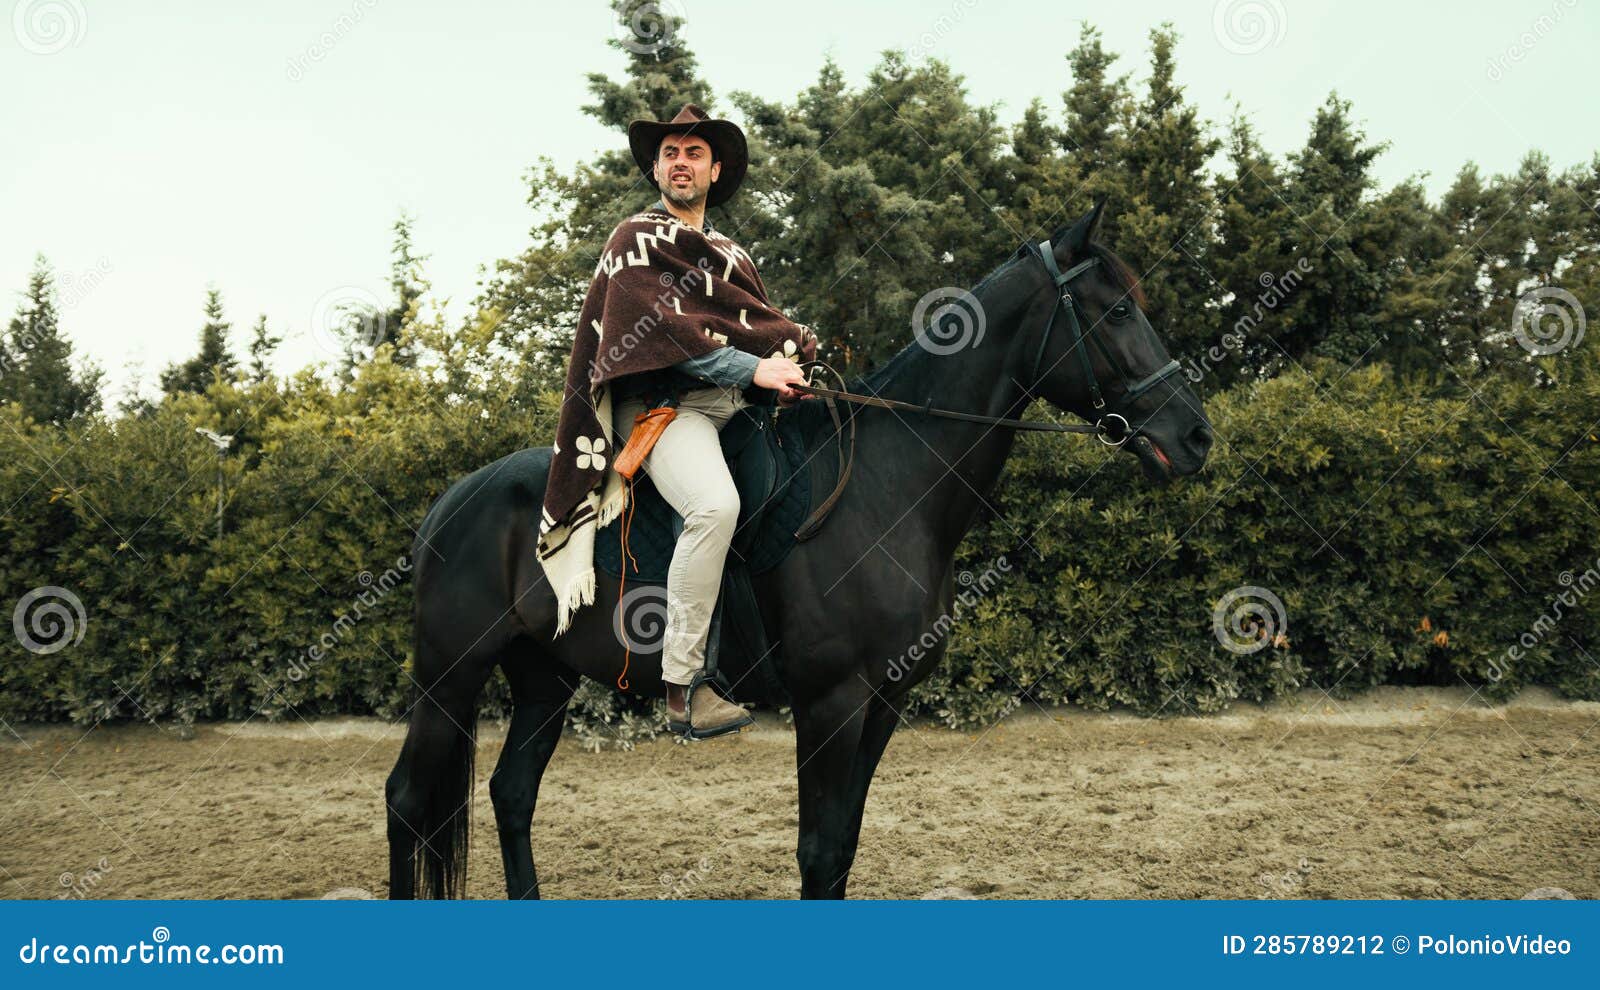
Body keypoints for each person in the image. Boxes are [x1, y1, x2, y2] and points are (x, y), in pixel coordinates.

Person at [535, 104, 816, 738]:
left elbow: (753, 328)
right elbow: (656, 340)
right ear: (656, 168)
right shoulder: (634, 239)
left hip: (739, 410)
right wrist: (752, 371)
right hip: (667, 411)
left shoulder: (733, 255)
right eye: (670, 153)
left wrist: (785, 371)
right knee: (714, 507)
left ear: (715, 170)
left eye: (693, 154)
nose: (680, 162)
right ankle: (683, 684)